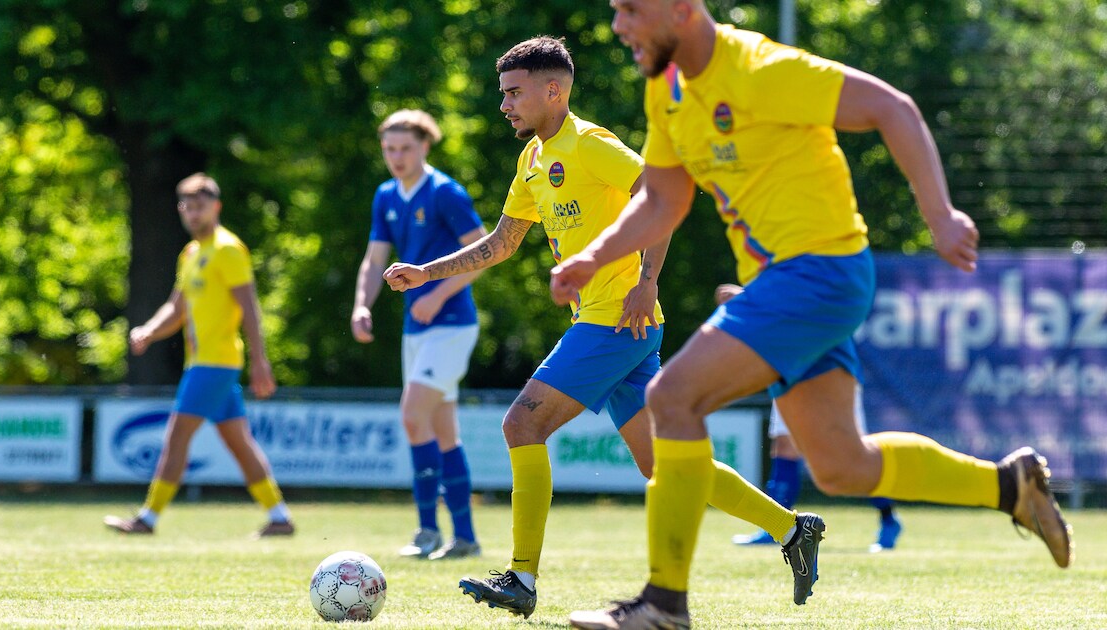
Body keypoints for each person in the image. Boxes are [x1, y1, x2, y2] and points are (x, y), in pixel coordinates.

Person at [555, 3, 1074, 627]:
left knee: (672, 398)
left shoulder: (758, 66)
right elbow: (663, 199)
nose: (619, 26)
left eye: (632, 10)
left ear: (681, 9)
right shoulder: (665, 91)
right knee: (841, 466)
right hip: (790, 285)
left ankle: (664, 604)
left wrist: (938, 214)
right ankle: (1008, 485)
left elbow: (893, 108)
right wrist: (594, 256)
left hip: (818, 273)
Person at [384, 36, 813, 621]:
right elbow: (504, 243)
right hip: (611, 323)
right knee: (663, 465)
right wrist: (426, 272)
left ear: (553, 90)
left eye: (514, 93)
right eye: (502, 93)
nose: (504, 104)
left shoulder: (589, 144)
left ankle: (522, 577)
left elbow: (661, 193)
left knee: (522, 422)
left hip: (617, 316)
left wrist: (647, 280)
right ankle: (792, 529)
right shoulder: (532, 160)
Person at [105, 173, 294, 538]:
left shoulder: (227, 249)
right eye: (188, 207)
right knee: (240, 444)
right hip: (207, 365)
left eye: (200, 206)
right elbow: (176, 310)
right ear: (180, 209)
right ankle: (279, 516)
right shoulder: (191, 254)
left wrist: (260, 360)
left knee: (176, 437)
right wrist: (149, 331)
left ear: (216, 207)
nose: (194, 214)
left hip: (215, 364)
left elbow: (249, 308)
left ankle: (148, 518)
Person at [351, 109, 487, 561]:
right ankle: (462, 537)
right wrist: (362, 304)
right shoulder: (385, 194)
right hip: (418, 328)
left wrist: (435, 293)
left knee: (412, 416)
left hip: (451, 325)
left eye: (405, 147)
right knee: (443, 432)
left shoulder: (445, 192)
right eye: (389, 148)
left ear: (425, 145)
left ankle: (428, 530)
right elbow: (374, 260)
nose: (397, 157)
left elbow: (485, 251)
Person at [714, 284, 902, 553]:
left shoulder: (820, 266)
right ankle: (778, 526)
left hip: (830, 372)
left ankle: (889, 518)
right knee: (785, 445)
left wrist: (745, 298)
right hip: (790, 372)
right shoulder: (776, 262)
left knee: (852, 459)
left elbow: (804, 310)